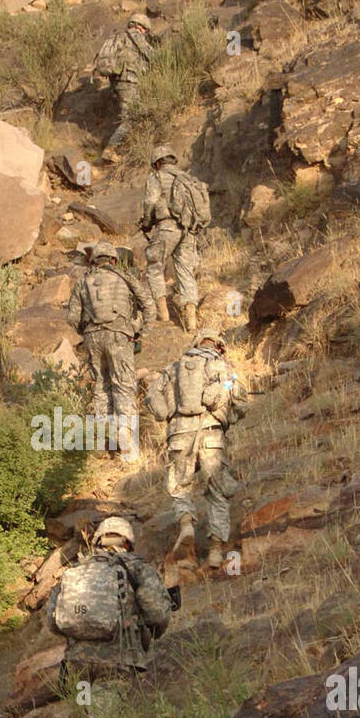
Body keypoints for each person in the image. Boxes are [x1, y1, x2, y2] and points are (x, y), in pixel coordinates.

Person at [45, 516, 172, 718]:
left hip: (78, 667)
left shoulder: (75, 571)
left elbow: (52, 621)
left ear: (99, 539)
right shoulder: (135, 567)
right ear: (127, 540)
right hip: (116, 663)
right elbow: (158, 613)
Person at [145, 328, 247, 570]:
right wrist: (229, 416)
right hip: (211, 435)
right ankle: (215, 550)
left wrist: (169, 414)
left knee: (180, 487)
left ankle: (187, 525)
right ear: (218, 347)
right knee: (216, 492)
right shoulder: (223, 368)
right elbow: (241, 402)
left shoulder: (174, 368)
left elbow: (152, 396)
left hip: (179, 435)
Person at [66, 240, 155, 459]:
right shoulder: (126, 277)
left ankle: (101, 442)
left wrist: (86, 332)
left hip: (93, 337)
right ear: (113, 260)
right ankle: (125, 439)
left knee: (100, 386)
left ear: (94, 261)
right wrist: (140, 332)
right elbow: (149, 306)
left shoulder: (82, 282)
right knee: (123, 384)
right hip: (119, 335)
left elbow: (72, 317)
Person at [141, 145, 211, 331]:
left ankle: (163, 313)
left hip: (167, 227)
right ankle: (191, 320)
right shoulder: (188, 178)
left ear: (157, 163)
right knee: (185, 271)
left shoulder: (156, 177)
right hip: (189, 230)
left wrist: (147, 221)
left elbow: (150, 201)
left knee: (154, 265)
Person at [94, 13, 154, 149]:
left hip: (118, 82)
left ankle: (124, 146)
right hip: (129, 81)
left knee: (132, 114)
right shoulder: (136, 35)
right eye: (145, 30)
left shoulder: (118, 36)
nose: (145, 33)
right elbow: (151, 55)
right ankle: (111, 149)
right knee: (131, 117)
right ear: (141, 26)